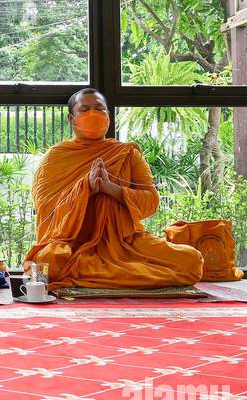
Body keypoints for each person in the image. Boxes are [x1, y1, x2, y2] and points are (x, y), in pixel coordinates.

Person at [25, 88, 203, 289]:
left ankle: (100, 274)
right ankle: (133, 275)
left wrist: (111, 188)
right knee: (51, 262)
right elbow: (48, 211)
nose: (93, 114)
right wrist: (86, 189)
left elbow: (151, 202)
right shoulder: (55, 157)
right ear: (71, 119)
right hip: (76, 243)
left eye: (99, 109)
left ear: (108, 118)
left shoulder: (127, 153)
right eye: (85, 110)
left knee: (191, 261)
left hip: (127, 242)